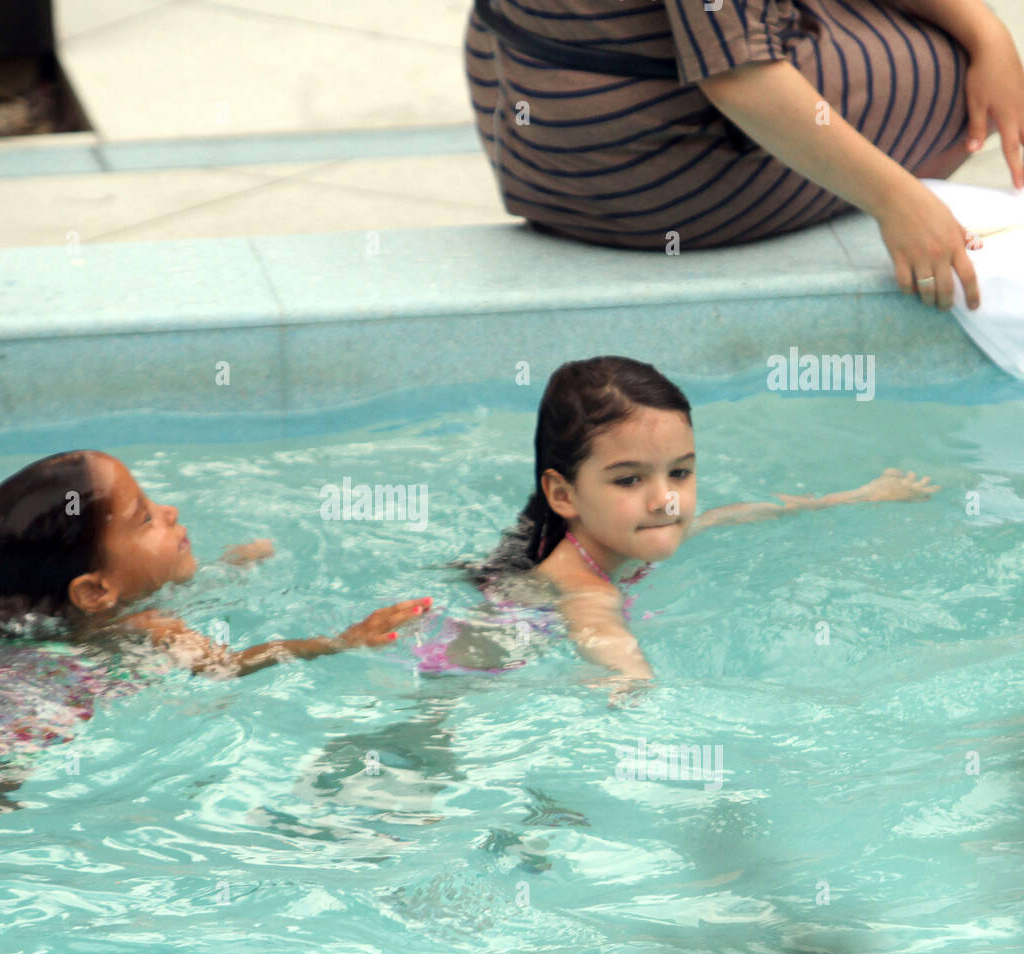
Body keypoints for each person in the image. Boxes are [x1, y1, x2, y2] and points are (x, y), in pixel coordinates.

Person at [0, 450, 430, 843]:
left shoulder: (44, 624)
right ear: (94, 591)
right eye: (146, 517)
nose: (173, 512)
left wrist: (226, 568)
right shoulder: (153, 631)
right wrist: (339, 642)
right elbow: (232, 667)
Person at [465, 0, 1024, 310]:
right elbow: (736, 74)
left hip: (525, 128)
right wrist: (897, 200)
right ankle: (860, 183)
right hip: (649, 169)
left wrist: (986, 28)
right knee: (947, 68)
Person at [434, 356, 940, 697]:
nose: (666, 499)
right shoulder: (581, 584)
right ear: (564, 495)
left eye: (680, 472)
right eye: (629, 479)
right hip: (452, 702)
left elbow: (731, 515)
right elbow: (602, 630)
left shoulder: (626, 539)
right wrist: (633, 679)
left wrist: (854, 497)